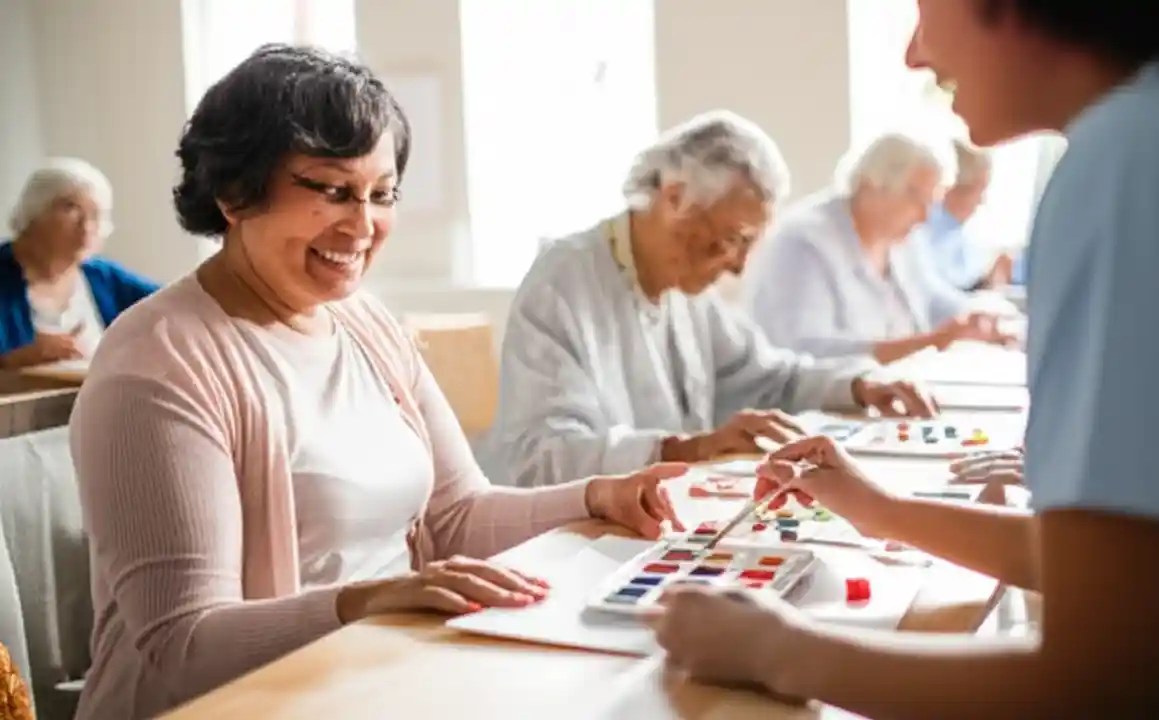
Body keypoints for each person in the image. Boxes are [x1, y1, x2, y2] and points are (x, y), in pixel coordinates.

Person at [651, 1, 1159, 717]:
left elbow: (1100, 683)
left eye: (922, 9)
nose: (914, 54)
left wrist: (777, 650)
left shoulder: (1140, 159)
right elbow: (1120, 574)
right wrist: (881, 509)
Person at [68, 45, 685, 720]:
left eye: (381, 193)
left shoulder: (364, 323)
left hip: (373, 680)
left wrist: (600, 496)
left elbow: (456, 517)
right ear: (235, 192)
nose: (363, 226)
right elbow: (180, 647)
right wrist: (366, 603)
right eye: (333, 191)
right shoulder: (159, 363)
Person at [487, 112, 939, 490]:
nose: (738, 268)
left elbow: (771, 379)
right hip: (573, 542)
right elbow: (539, 459)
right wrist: (688, 448)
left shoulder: (688, 294)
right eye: (731, 240)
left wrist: (858, 384)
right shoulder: (564, 282)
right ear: (675, 197)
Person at [743, 134, 1013, 365]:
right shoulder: (803, 242)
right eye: (916, 199)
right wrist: (930, 342)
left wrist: (980, 318)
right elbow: (803, 351)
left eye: (932, 202)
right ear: (870, 185)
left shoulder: (902, 240)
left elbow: (933, 300)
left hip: (893, 396)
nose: (925, 217)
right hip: (824, 408)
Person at [0, 158, 158, 368]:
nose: (87, 225)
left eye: (96, 214)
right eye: (71, 208)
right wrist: (12, 361)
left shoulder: (104, 277)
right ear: (34, 211)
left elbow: (178, 306)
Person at [915, 139, 1014, 291]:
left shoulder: (956, 231)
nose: (982, 201)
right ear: (957, 188)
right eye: (979, 190)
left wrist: (991, 277)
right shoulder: (925, 228)